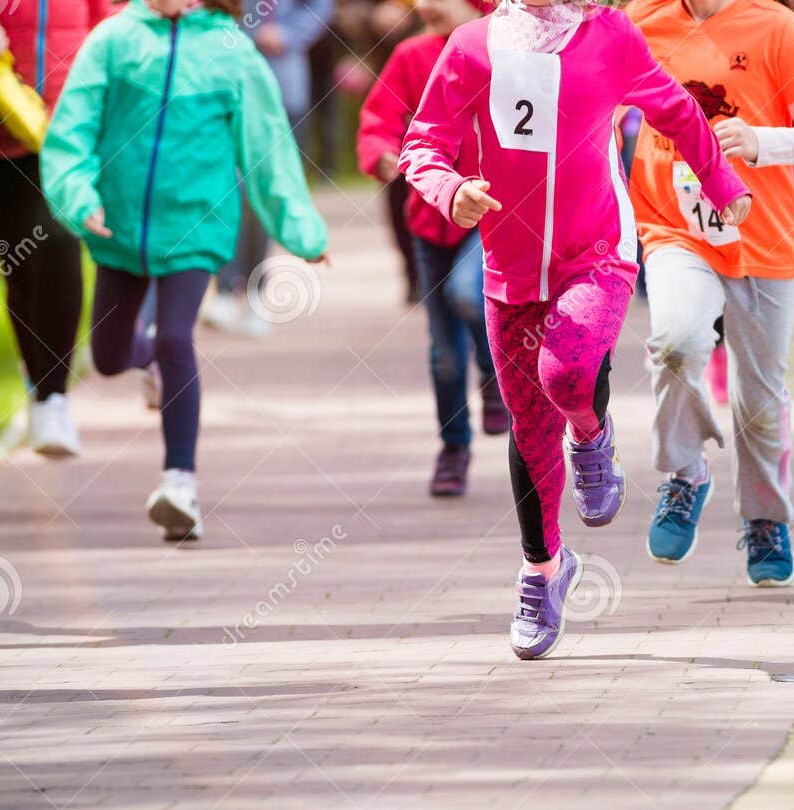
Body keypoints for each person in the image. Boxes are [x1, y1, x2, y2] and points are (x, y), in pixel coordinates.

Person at [400, 0, 750, 659]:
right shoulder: (474, 46)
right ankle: (544, 570)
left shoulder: (609, 35)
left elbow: (675, 109)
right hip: (509, 267)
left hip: (596, 249)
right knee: (528, 430)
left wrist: (722, 182)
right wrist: (451, 190)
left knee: (565, 373)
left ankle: (592, 437)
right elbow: (423, 144)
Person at [42, 0, 327, 541]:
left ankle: (180, 484)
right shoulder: (112, 42)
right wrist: (78, 196)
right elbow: (72, 129)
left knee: (177, 339)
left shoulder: (230, 51)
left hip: (197, 224)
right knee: (106, 358)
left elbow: (268, 146)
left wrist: (302, 231)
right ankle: (144, 360)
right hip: (119, 229)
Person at [629, 0, 794, 587]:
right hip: (673, 229)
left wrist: (757, 141)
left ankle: (765, 519)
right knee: (675, 342)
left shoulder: (774, 25)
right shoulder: (641, 21)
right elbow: (589, 99)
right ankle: (684, 474)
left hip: (761, 237)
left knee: (758, 399)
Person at [0, 0, 107, 458]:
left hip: (67, 125)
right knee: (19, 262)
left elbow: (104, 21)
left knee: (59, 241)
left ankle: (52, 399)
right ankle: (38, 378)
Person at [357, 0, 507, 499]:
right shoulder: (412, 54)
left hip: (487, 209)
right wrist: (379, 154)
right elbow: (379, 116)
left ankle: (494, 376)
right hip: (429, 220)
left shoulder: (504, 49)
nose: (423, 6)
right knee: (443, 357)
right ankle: (454, 449)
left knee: (468, 292)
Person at [205, 0, 332, 338]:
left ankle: (255, 292)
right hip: (227, 86)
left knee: (263, 194)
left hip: (285, 88)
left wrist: (289, 35)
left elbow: (322, 7)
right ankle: (225, 289)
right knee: (228, 189)